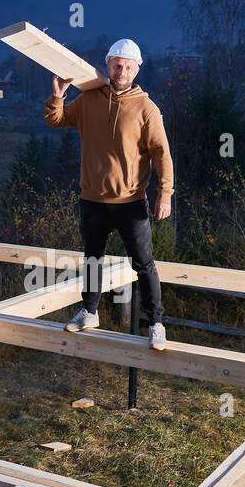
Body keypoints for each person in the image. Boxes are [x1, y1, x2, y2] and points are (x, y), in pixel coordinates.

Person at [44, 38, 174, 351]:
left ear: (137, 69)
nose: (122, 70)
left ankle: (156, 323)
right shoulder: (89, 100)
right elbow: (56, 120)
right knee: (92, 259)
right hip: (92, 200)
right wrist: (58, 96)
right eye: (117, 64)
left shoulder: (146, 108)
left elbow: (161, 153)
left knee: (143, 264)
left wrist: (165, 193)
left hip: (131, 202)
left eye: (129, 66)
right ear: (108, 64)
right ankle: (89, 312)